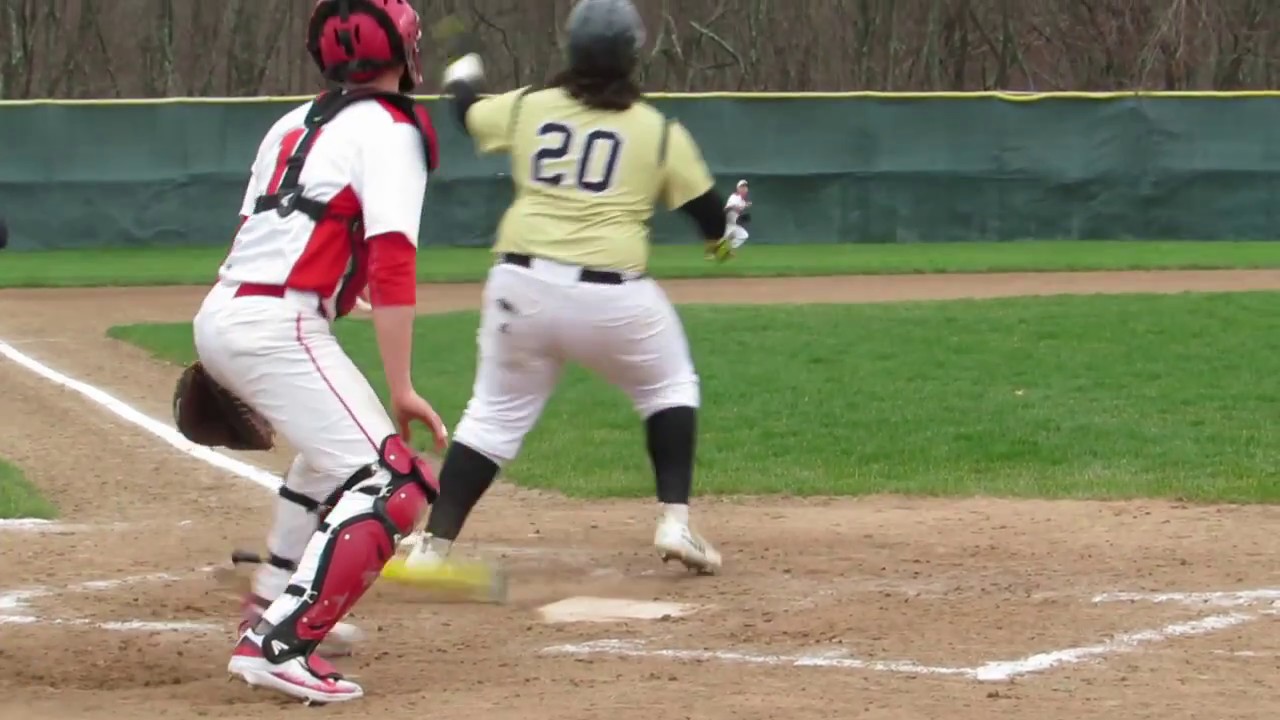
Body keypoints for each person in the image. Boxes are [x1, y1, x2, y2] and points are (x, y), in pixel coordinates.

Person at [393, 0, 728, 584]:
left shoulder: (528, 108)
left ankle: (432, 546)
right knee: (668, 385)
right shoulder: (656, 129)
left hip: (520, 285)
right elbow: (712, 224)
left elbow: (468, 114)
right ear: (631, 56)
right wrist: (729, 232)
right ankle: (674, 520)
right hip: (612, 297)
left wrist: (463, 77)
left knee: (492, 419)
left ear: (571, 50)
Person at [190, 0, 447, 704]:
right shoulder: (393, 129)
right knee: (393, 483)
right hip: (277, 323)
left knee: (330, 455)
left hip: (230, 308)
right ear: (402, 52)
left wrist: (329, 295)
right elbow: (393, 259)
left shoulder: (292, 121)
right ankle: (279, 644)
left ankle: (272, 595)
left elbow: (269, 230)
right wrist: (403, 385)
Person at [718, 179, 752, 257]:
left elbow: (738, 210)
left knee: (744, 235)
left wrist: (744, 206)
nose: (744, 188)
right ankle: (714, 252)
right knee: (723, 239)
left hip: (733, 222)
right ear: (738, 188)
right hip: (727, 221)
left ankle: (727, 249)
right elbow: (730, 207)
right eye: (742, 187)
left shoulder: (743, 201)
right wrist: (744, 206)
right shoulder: (734, 196)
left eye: (745, 187)